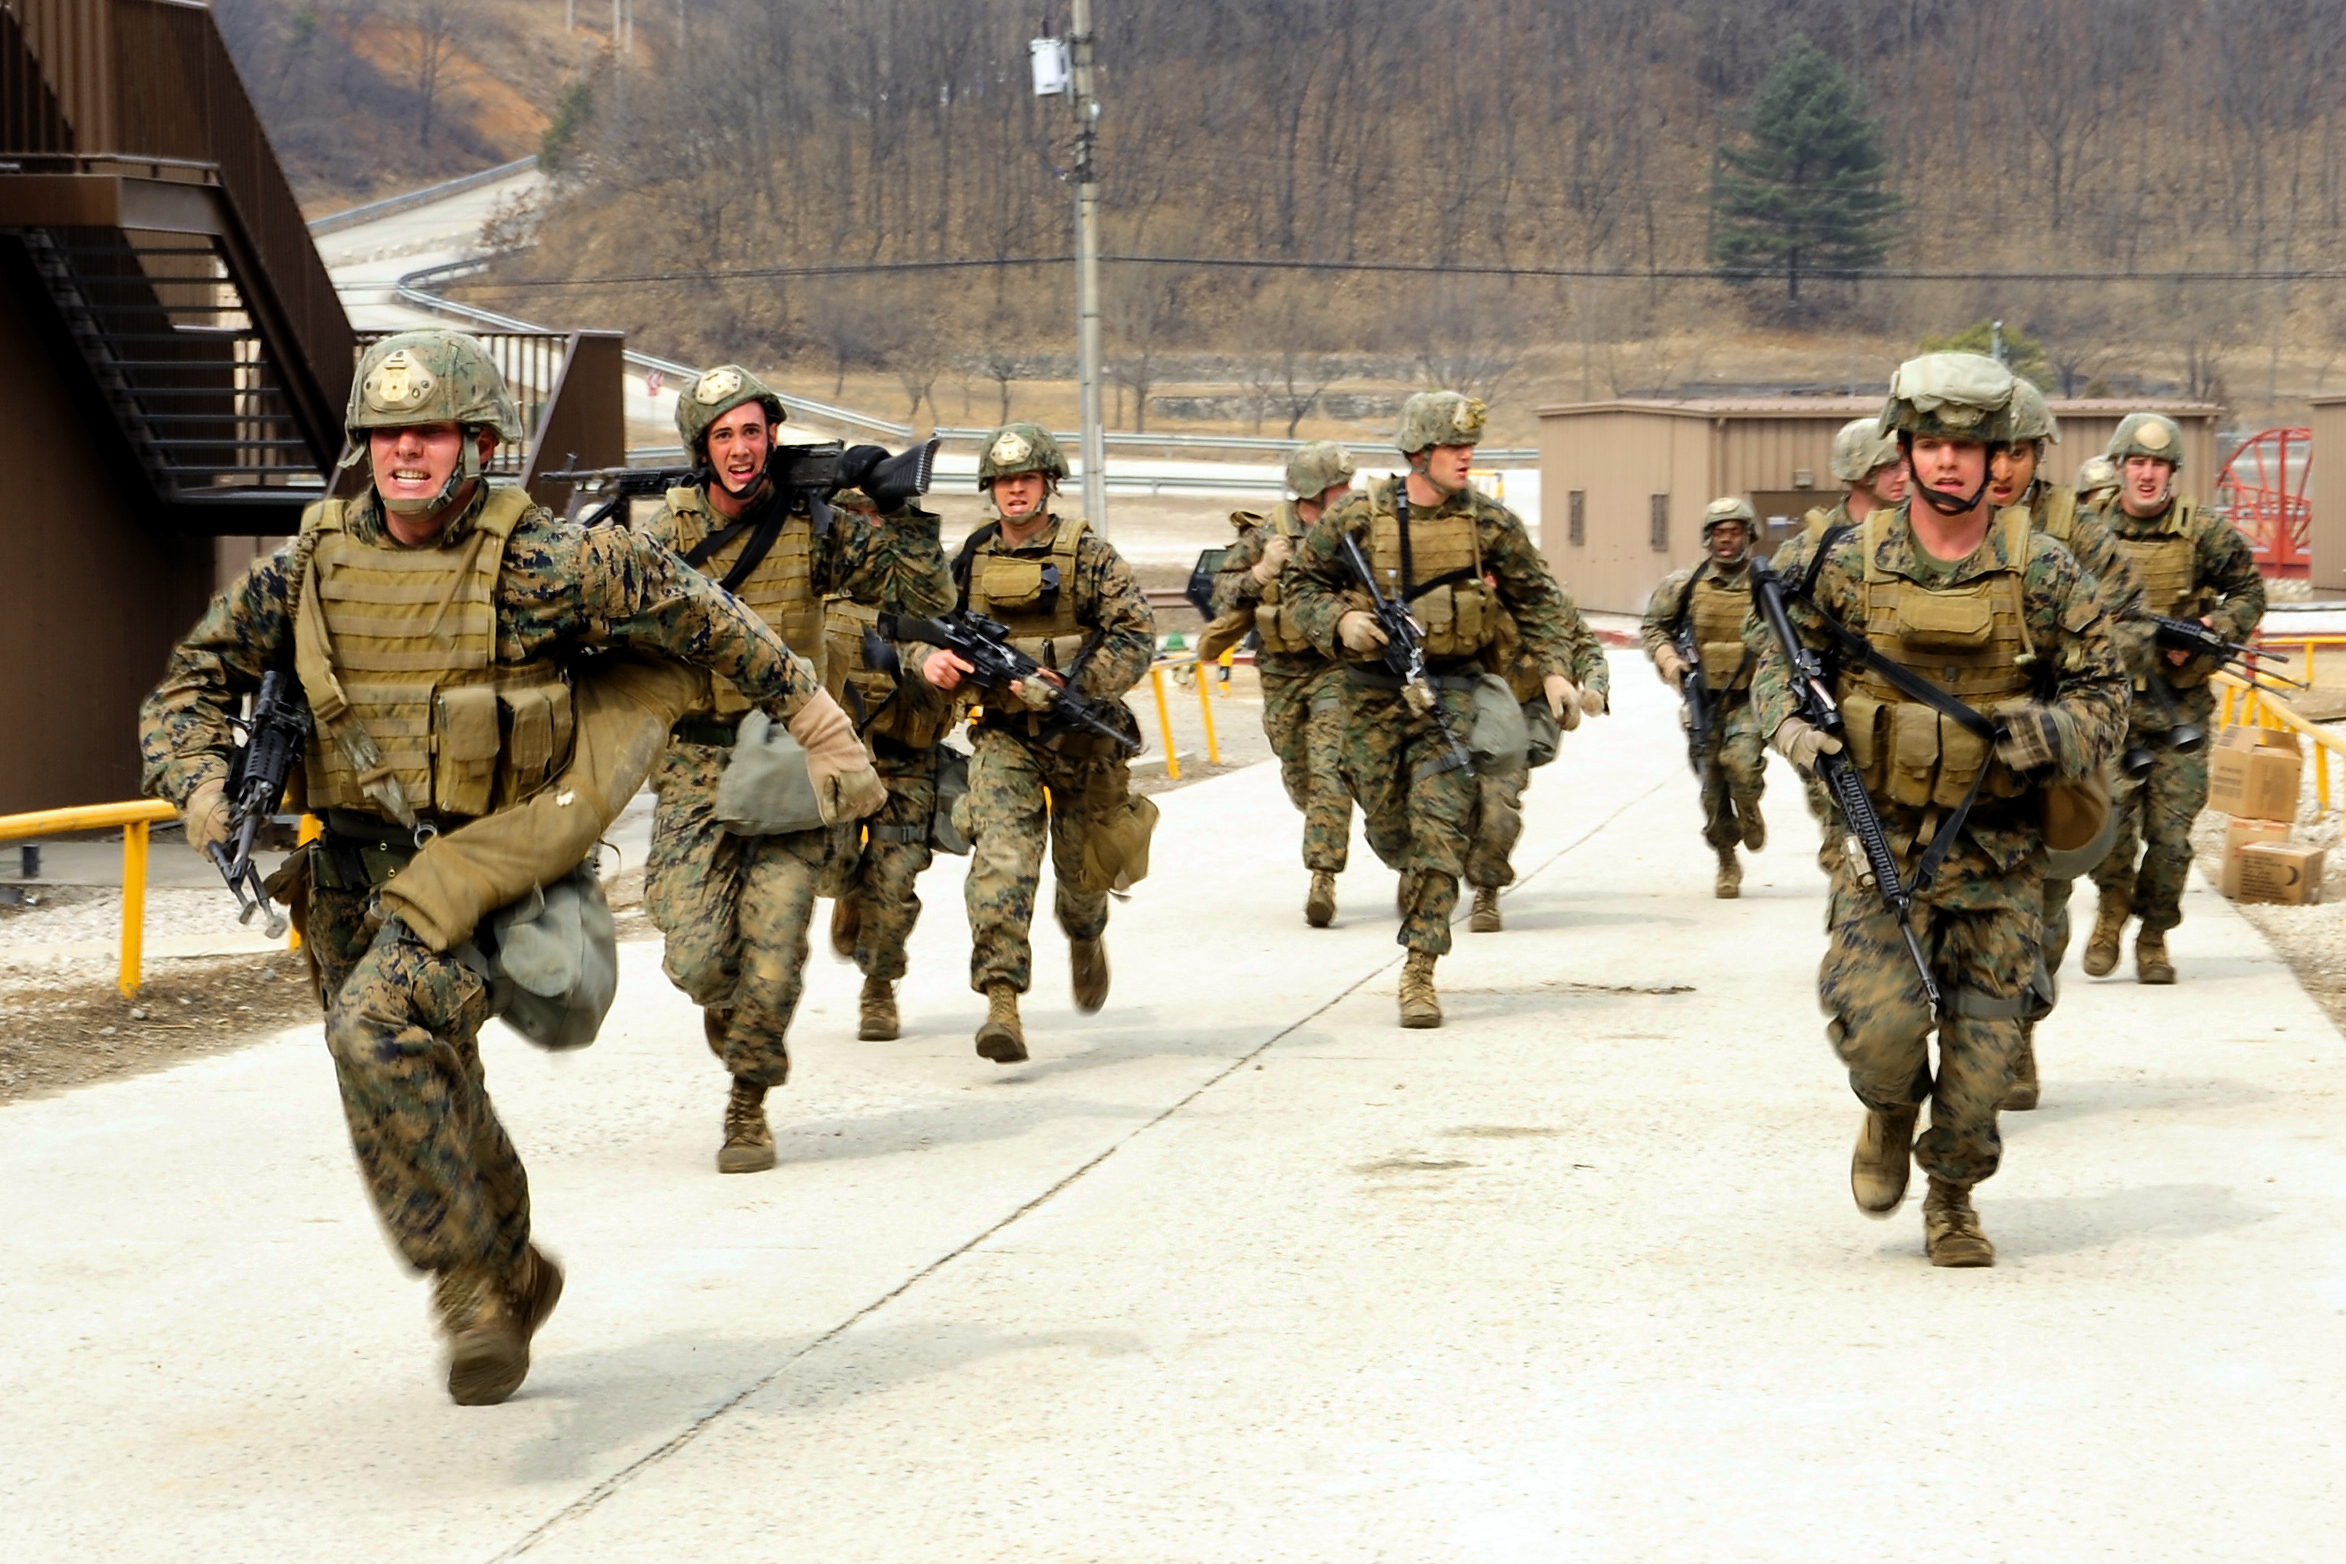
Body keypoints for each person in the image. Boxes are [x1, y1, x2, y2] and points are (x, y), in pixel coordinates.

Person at [140, 330, 878, 1403]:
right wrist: (203, 782)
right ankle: (514, 1266)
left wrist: (817, 724)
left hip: (486, 869)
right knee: (413, 1077)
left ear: (479, 443)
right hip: (346, 877)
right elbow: (192, 684)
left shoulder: (545, 561)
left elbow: (704, 613)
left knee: (372, 1030)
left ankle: (469, 1286)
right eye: (387, 433)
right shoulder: (305, 571)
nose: (406, 451)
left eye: (432, 431)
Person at [1748, 352, 2124, 1267]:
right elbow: (1777, 656)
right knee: (1877, 1030)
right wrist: (1787, 722)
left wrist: (2054, 732)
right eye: (1930, 443)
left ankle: (1951, 1196)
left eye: (1966, 445)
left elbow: (2107, 697)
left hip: (2000, 850)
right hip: (1882, 843)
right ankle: (1886, 1111)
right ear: (1904, 451)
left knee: (1987, 1054)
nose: (1948, 461)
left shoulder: (2045, 571)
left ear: (1996, 456)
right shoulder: (1843, 561)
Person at [637, 366, 928, 1171]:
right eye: (723, 435)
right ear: (702, 447)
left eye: (752, 431)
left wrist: (896, 504)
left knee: (775, 955)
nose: (740, 449)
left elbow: (919, 592)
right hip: (696, 760)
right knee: (700, 961)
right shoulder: (668, 533)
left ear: (773, 436)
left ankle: (747, 1105)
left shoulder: (819, 526)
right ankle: (731, 1011)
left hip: (791, 754)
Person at [1284, 391, 1590, 1027]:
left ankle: (1419, 970)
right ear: (1419, 452)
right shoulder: (1358, 517)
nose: (1466, 456)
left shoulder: (1490, 523)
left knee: (1440, 827)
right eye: (1453, 446)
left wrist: (1557, 672)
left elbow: (1539, 600)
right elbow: (1301, 584)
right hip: (1370, 694)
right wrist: (1341, 622)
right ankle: (1409, 863)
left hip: (1452, 691)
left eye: (1469, 445)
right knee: (1389, 828)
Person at [918, 422, 1157, 1063]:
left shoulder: (1089, 556)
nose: (1015, 490)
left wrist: (1073, 684)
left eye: (1026, 478)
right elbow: (923, 625)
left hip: (1082, 737)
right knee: (1001, 862)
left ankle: (1085, 933)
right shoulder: (969, 559)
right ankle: (1002, 1002)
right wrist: (931, 662)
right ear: (989, 488)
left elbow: (1136, 635)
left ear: (1048, 482)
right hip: (1005, 738)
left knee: (1082, 878)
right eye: (1003, 480)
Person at [1983, 381, 2147, 1109]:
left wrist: (2071, 687)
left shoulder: (2073, 529)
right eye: (1994, 451)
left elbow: (2131, 623)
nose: (2002, 469)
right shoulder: (1944, 521)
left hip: (2047, 749)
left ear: (2037, 456)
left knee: (2043, 905)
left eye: (2018, 453)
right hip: (1956, 743)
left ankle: (2020, 1033)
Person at [2083, 413, 2267, 984]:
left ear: (2173, 472)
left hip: (2178, 711)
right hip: (2110, 707)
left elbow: (2250, 591)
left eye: (2158, 465)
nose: (2147, 474)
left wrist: (2212, 629)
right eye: (2137, 462)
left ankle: (2154, 935)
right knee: (2109, 826)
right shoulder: (2089, 531)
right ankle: (2112, 908)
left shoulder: (2203, 532)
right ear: (2119, 467)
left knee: (2170, 838)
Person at [821, 484, 960, 1040]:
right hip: (835, 752)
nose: (864, 529)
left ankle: (878, 985)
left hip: (906, 752)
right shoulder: (818, 584)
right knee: (827, 863)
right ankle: (848, 890)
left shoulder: (920, 582)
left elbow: (945, 642)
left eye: (874, 518)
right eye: (853, 517)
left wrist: (926, 666)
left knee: (895, 876)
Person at [1207, 440, 1359, 926]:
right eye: (1340, 486)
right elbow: (1221, 591)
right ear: (1314, 491)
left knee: (1329, 767)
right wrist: (1260, 571)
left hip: (1337, 668)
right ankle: (1325, 817)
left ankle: (1322, 877)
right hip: (1281, 674)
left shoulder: (1356, 530)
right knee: (1301, 776)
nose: (1349, 492)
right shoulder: (1270, 533)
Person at [1642, 497, 1769, 898]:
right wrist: (1671, 663)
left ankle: (1749, 809)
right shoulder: (1685, 586)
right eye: (1719, 532)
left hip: (1749, 698)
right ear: (1707, 538)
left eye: (1734, 532)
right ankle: (1727, 858)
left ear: (1749, 536)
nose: (1726, 540)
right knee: (1712, 788)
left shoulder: (1766, 584)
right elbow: (1653, 627)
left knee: (1742, 766)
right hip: (1704, 701)